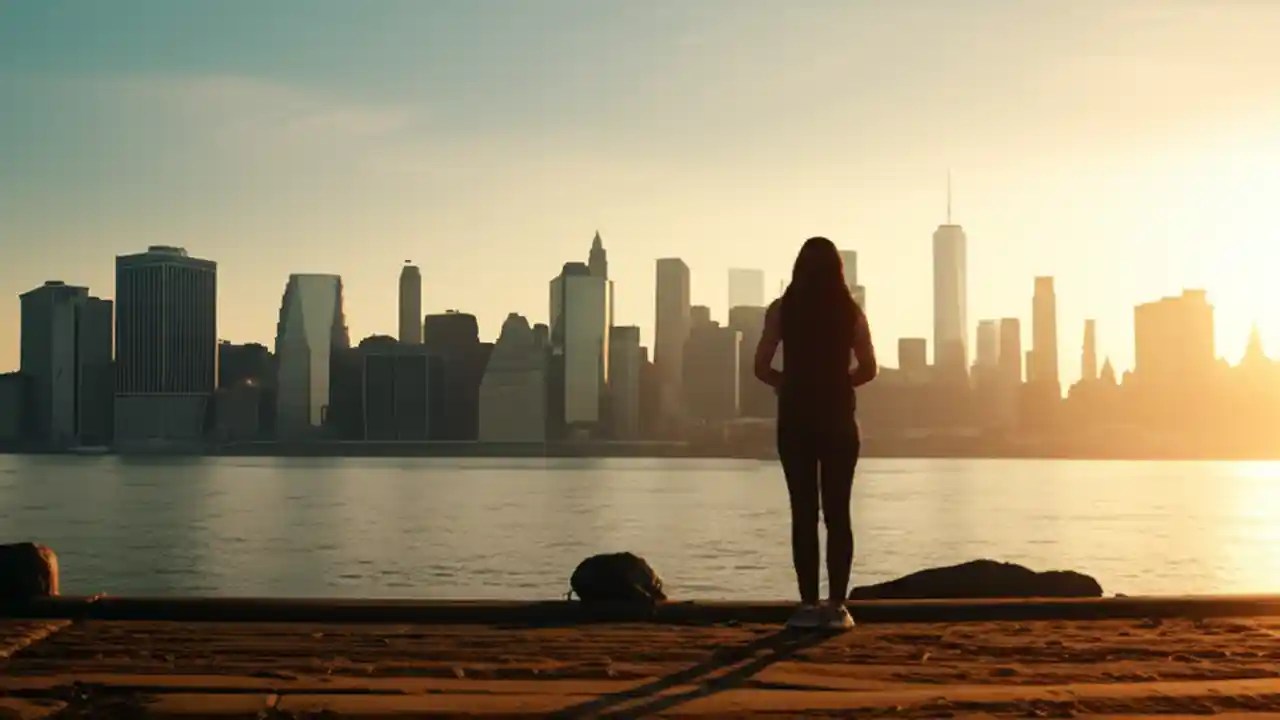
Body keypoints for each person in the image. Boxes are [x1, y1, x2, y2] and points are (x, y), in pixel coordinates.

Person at [754, 237, 877, 630]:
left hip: (795, 421)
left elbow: (760, 365)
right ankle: (838, 606)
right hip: (840, 420)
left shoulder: (781, 310)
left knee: (803, 512)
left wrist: (786, 384)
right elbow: (870, 367)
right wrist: (840, 383)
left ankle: (807, 605)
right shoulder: (851, 312)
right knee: (838, 514)